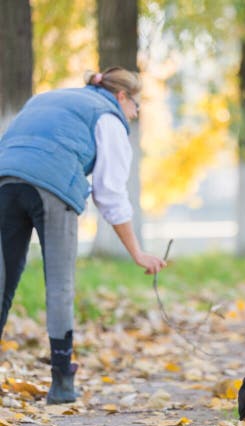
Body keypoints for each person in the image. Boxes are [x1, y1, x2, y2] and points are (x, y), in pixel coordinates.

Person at [0, 67, 166, 404]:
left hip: (4, 178)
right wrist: (137, 253)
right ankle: (62, 382)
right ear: (121, 96)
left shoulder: (46, 98)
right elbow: (110, 194)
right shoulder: (108, 117)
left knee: (2, 281)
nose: (135, 114)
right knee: (59, 284)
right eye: (136, 106)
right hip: (53, 186)